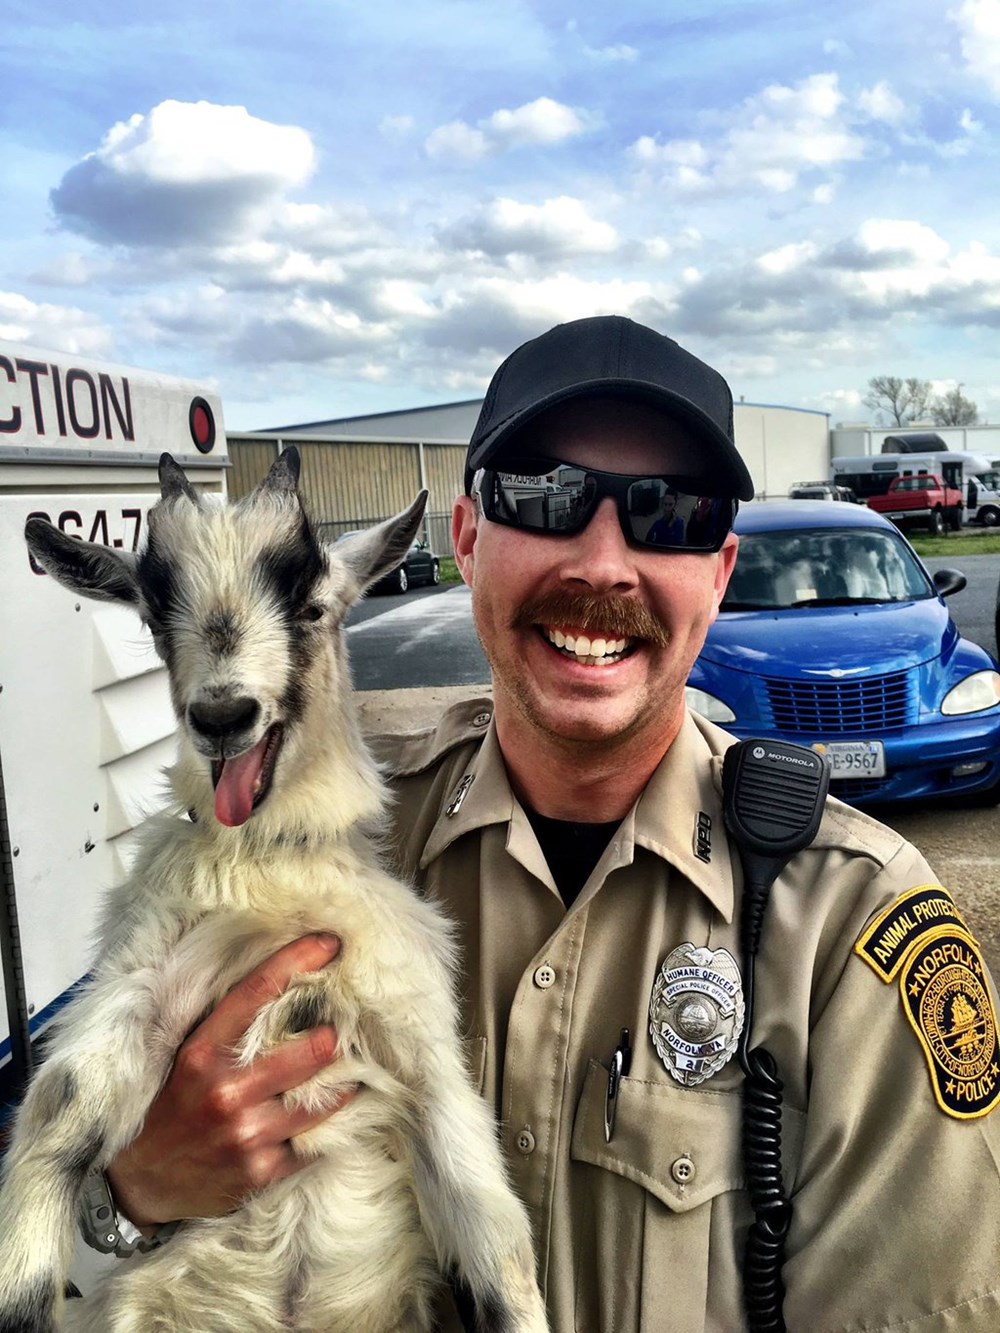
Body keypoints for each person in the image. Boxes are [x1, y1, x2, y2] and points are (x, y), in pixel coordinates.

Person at [99, 317, 1000, 1331]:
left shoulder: (845, 923)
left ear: (717, 569)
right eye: (547, 496)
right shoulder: (331, 861)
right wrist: (132, 1198)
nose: (605, 563)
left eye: (671, 512)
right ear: (469, 540)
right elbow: (123, 1239)